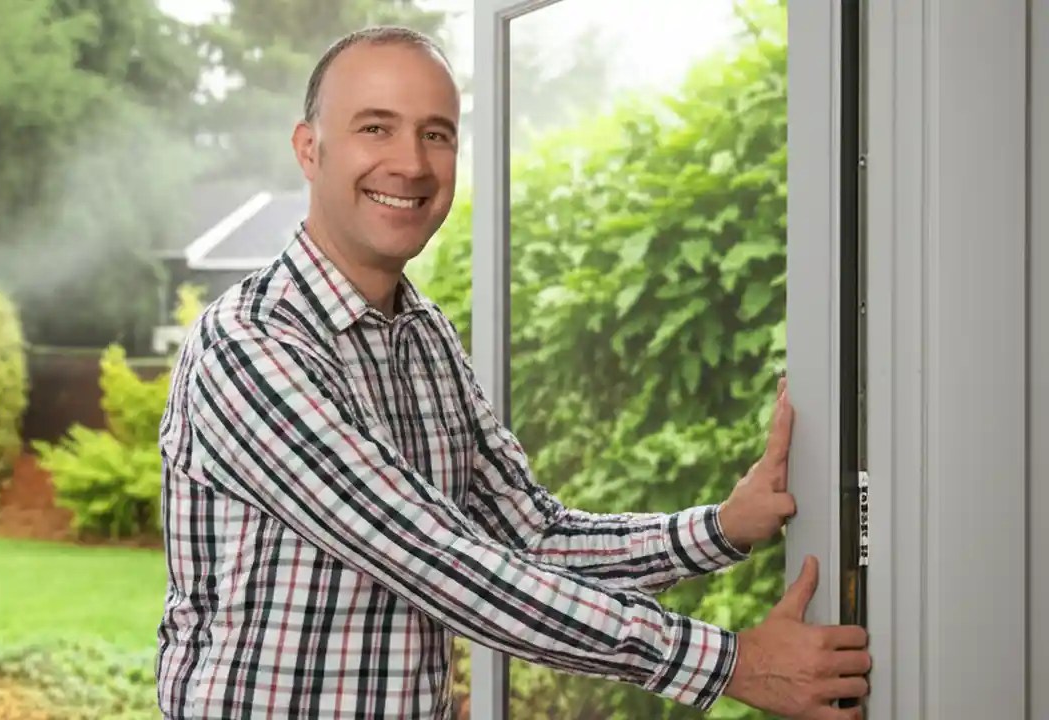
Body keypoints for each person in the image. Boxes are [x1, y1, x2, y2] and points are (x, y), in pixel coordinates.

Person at [155, 25, 871, 720]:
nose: (411, 162)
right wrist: (732, 664)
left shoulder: (423, 335)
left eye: (436, 134)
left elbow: (530, 538)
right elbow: (440, 562)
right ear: (309, 149)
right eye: (375, 128)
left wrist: (719, 528)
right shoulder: (247, 344)